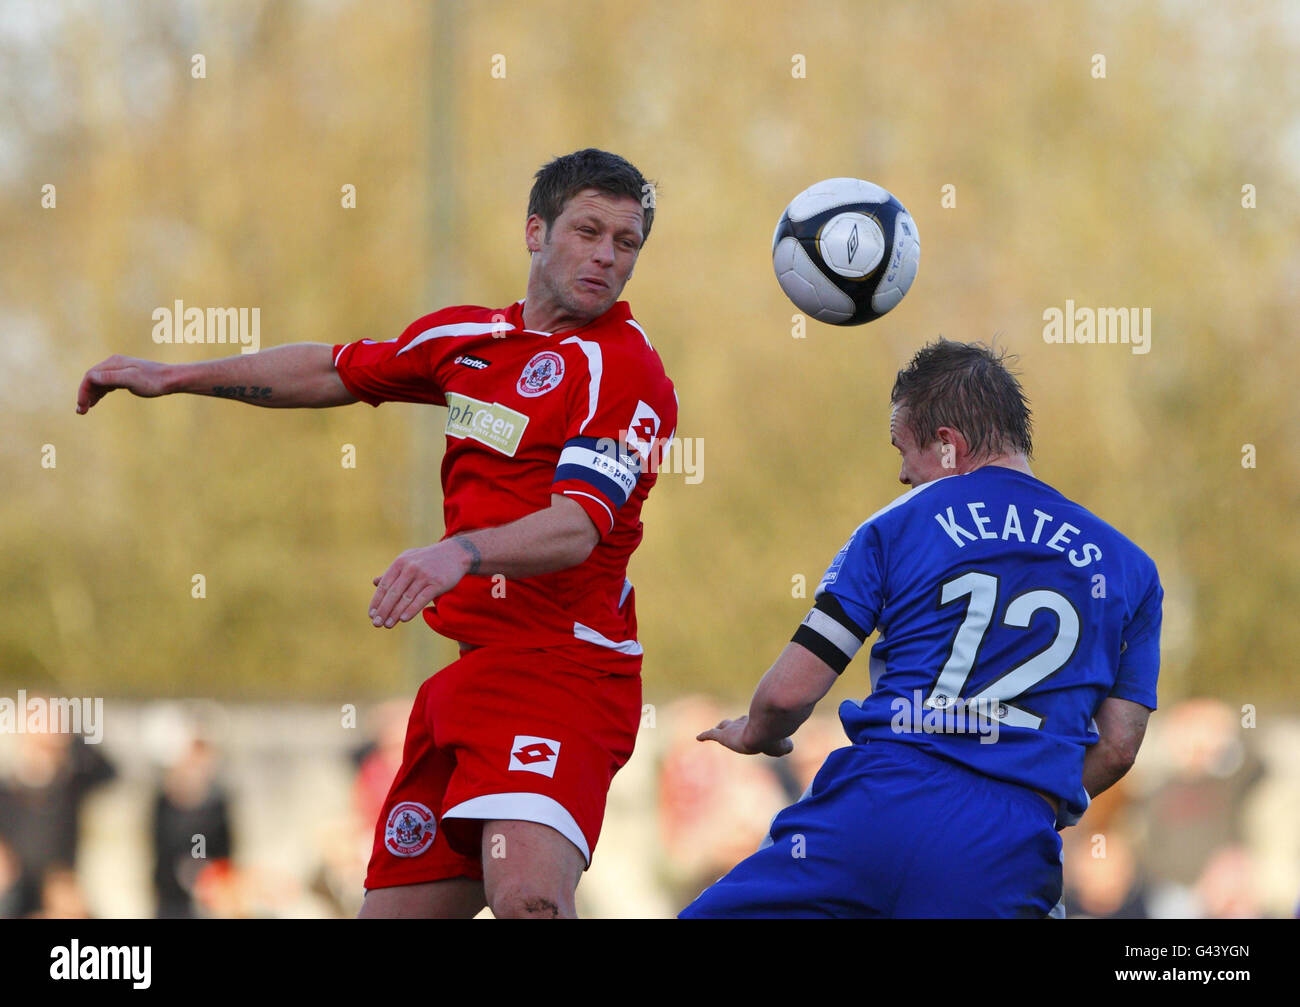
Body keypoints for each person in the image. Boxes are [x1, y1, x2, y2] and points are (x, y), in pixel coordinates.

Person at [76, 148, 677, 919]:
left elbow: (577, 527)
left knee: (527, 898)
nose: (606, 255)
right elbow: (334, 370)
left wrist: (458, 551)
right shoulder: (469, 339)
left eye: (626, 243)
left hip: (566, 673)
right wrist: (176, 375)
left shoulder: (624, 371)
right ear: (535, 230)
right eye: (589, 230)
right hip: (468, 681)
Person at [681, 339, 1162, 918]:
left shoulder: (899, 526)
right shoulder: (1131, 567)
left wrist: (757, 731)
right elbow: (1118, 745)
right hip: (1007, 843)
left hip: (877, 807)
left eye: (903, 449)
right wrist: (1027, 798)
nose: (903, 475)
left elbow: (789, 693)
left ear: (948, 445)